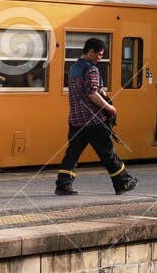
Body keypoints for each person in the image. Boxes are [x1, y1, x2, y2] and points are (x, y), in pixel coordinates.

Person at [56, 37, 137, 196]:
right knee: (108, 153)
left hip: (76, 120)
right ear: (91, 52)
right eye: (99, 54)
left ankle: (62, 185)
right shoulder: (91, 69)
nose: (101, 57)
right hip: (93, 121)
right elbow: (92, 93)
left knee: (72, 154)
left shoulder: (73, 68)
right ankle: (123, 182)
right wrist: (109, 107)